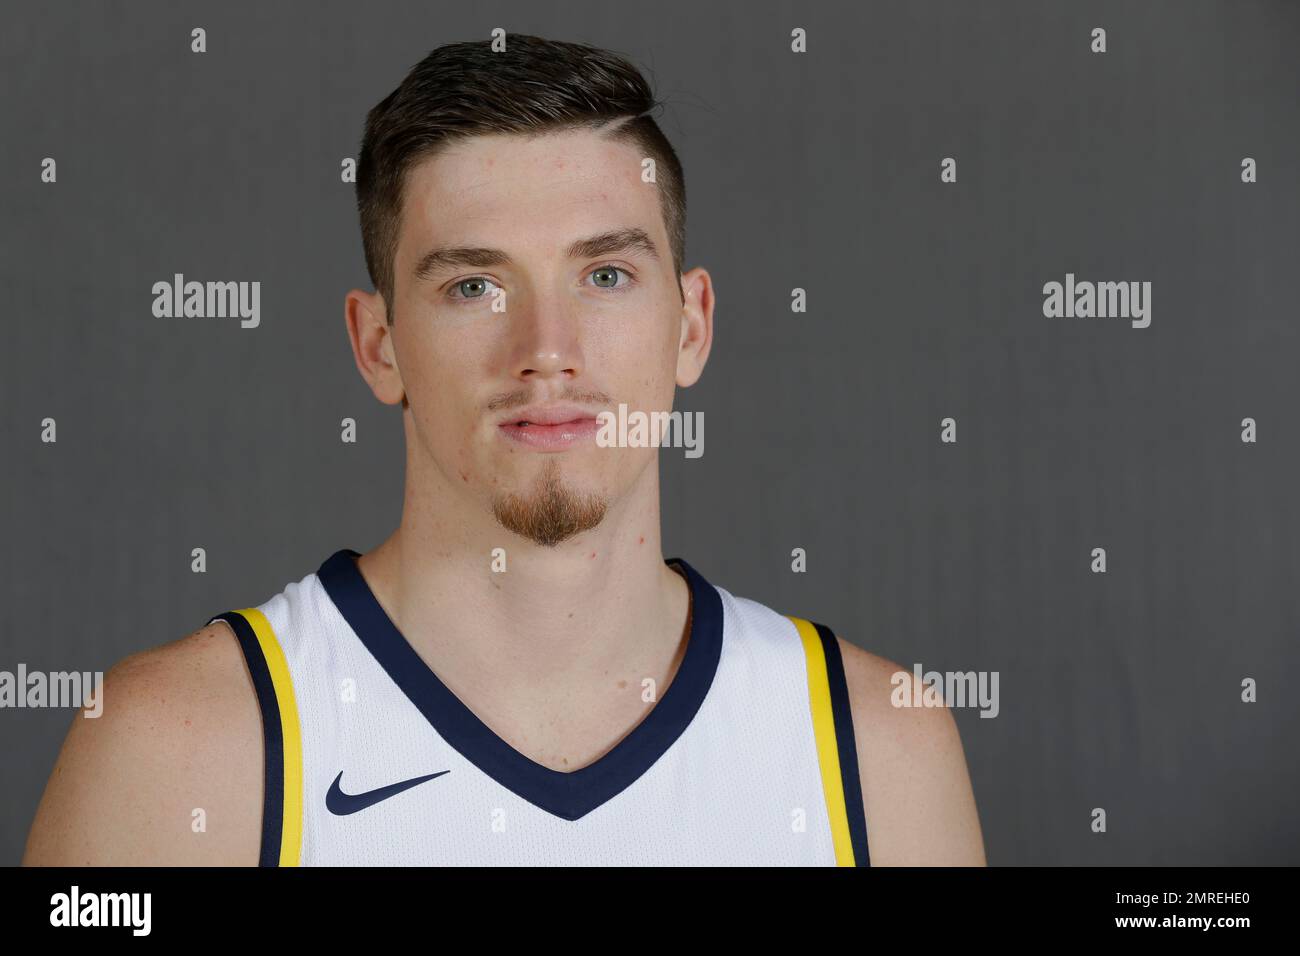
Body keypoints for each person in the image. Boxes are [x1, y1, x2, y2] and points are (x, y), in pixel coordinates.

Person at [23, 34, 985, 866]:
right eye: (474, 286)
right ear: (378, 344)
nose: (547, 352)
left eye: (606, 274)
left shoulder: (874, 749)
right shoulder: (178, 751)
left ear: (691, 326)